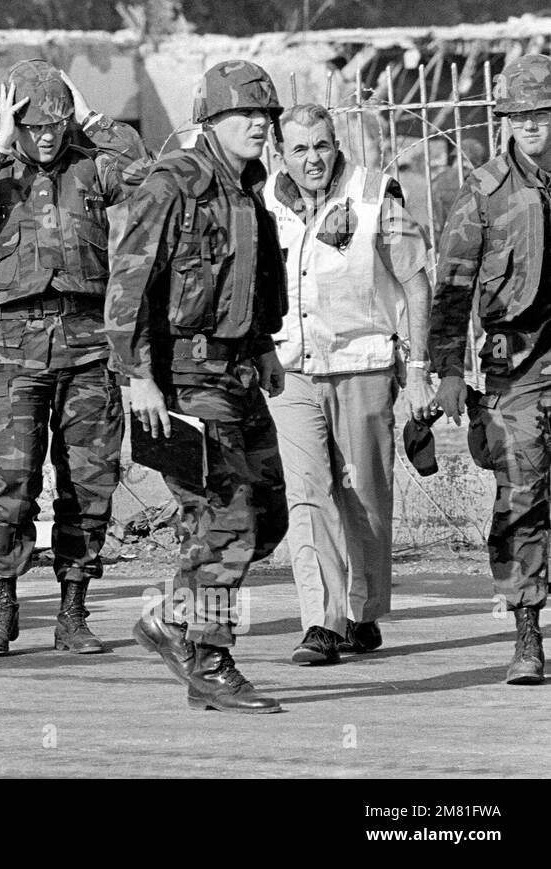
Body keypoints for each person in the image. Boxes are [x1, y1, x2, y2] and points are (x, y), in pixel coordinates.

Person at [0, 59, 151, 655]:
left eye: (59, 121)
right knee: (12, 482)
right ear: (16, 121)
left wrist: (93, 118)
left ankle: (73, 611)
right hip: (14, 346)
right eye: (36, 124)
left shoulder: (90, 166)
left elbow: (147, 173)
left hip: (87, 344)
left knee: (88, 482)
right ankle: (3, 606)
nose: (50, 133)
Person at [110, 60, 289, 713]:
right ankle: (210, 658)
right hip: (184, 379)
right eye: (246, 114)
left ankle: (168, 617)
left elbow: (249, 279)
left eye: (266, 115)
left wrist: (263, 346)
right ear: (210, 118)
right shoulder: (174, 184)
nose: (260, 126)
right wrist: (138, 378)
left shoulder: (247, 187)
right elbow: (126, 287)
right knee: (230, 511)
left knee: (268, 511)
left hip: (239, 371)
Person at [263, 102, 435, 665]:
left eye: (321, 145)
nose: (313, 158)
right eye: (299, 149)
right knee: (308, 496)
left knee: (363, 496)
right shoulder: (266, 202)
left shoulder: (375, 194)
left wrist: (418, 372)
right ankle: (322, 621)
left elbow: (415, 281)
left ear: (335, 143)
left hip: (363, 364)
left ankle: (363, 613)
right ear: (280, 155)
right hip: (292, 371)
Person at [431, 53, 551, 685]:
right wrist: (448, 369)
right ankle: (527, 634)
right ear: (504, 118)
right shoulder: (484, 188)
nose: (531, 124)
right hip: (516, 367)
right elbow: (450, 287)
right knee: (521, 496)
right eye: (520, 114)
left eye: (541, 112)